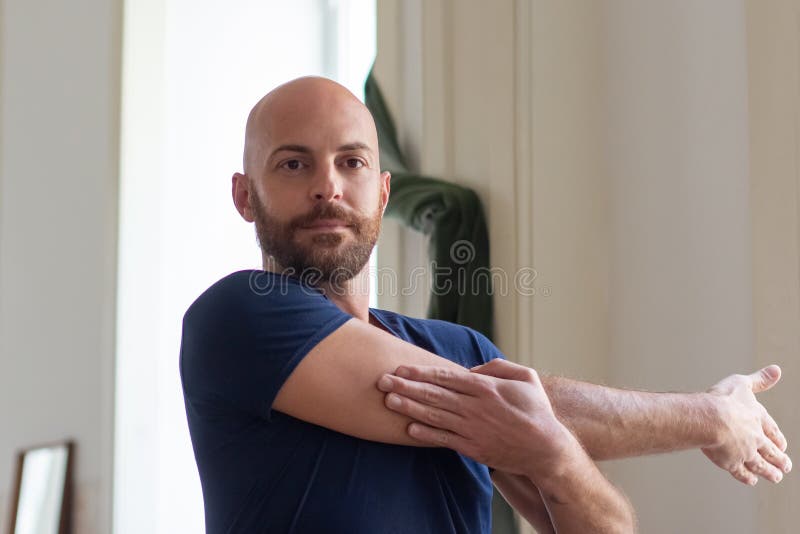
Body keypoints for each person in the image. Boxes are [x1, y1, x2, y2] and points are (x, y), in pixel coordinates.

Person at [179, 76, 790, 534]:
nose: (327, 186)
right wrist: (710, 416)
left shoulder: (461, 351)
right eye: (293, 163)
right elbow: (500, 410)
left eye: (352, 162)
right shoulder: (237, 317)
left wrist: (553, 456)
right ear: (245, 196)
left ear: (384, 191)